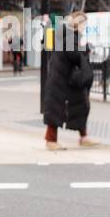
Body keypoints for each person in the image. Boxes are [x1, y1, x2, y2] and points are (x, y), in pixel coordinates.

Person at [43, 12, 98, 150]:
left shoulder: (67, 35)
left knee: (80, 105)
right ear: (77, 24)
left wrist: (83, 50)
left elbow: (73, 52)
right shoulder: (68, 35)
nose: (84, 28)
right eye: (83, 24)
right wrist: (84, 52)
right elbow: (72, 54)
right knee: (56, 109)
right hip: (60, 79)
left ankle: (83, 137)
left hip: (65, 78)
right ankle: (51, 140)